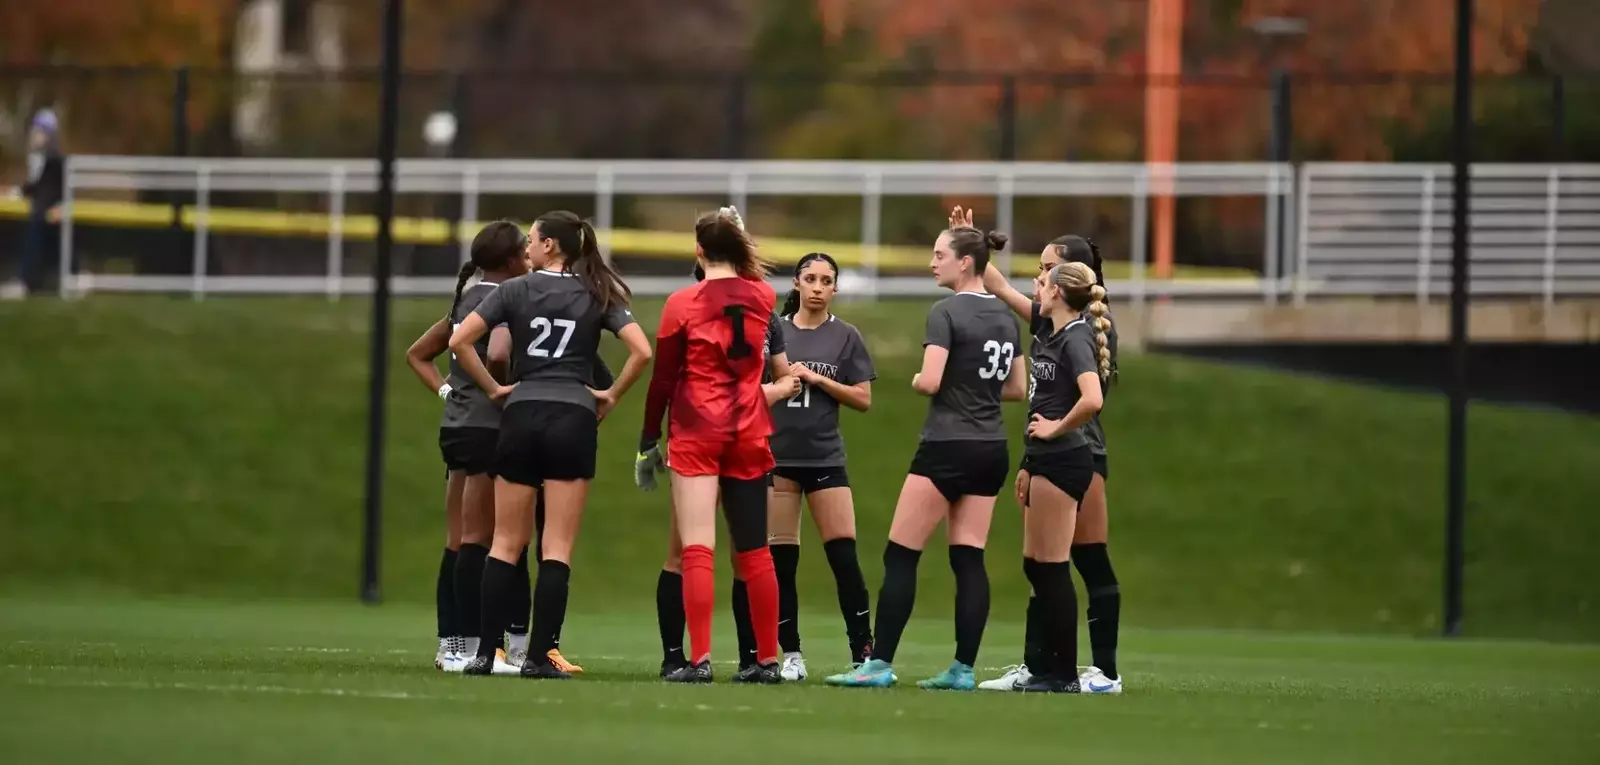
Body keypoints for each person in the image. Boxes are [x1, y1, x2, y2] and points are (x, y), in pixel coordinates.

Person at [450, 211, 653, 679]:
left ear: (550, 247)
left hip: (522, 414)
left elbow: (461, 342)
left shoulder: (514, 290)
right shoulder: (596, 291)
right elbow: (642, 351)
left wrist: (495, 390)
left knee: (504, 542)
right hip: (573, 417)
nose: (528, 245)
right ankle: (540, 657)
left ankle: (485, 654)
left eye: (534, 238)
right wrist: (612, 395)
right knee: (556, 547)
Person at [825, 221, 1026, 691]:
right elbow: (1016, 388)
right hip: (991, 448)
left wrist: (919, 380)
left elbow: (931, 381)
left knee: (901, 555)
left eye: (939, 254)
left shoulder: (945, 311)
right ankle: (963, 669)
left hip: (946, 445)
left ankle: (880, 664)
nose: (932, 262)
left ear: (966, 262)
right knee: (969, 559)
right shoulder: (1006, 317)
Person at [637, 207, 788, 684]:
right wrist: (735, 233)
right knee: (756, 552)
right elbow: (741, 281)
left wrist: (647, 441)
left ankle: (699, 660)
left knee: (697, 547)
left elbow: (661, 382)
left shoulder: (682, 302)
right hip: (748, 427)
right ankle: (767, 660)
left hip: (698, 427)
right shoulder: (764, 295)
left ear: (698, 250)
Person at [975, 228, 1124, 694]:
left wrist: (1054, 434)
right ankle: (1038, 663)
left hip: (1080, 452)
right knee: (1041, 562)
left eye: (1044, 270)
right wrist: (968, 241)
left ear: (1065, 280)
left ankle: (1100, 670)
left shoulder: (1087, 328)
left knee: (1083, 559)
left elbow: (1086, 399)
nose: (1036, 279)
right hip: (1046, 452)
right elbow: (998, 287)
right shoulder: (1052, 324)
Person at [403, 220, 526, 671]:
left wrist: (445, 391)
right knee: (483, 540)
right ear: (512, 261)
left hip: (456, 426)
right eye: (524, 253)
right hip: (487, 429)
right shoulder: (501, 301)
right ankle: (470, 649)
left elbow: (418, 353)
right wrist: (501, 386)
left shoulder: (464, 301)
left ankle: (450, 644)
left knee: (456, 540)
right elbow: (495, 351)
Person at [767, 252, 877, 680]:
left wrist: (819, 379)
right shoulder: (773, 331)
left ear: (834, 289)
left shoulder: (846, 336)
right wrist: (780, 383)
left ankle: (862, 653)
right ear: (796, 283)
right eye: (809, 278)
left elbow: (863, 399)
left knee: (844, 557)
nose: (816, 286)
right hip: (778, 460)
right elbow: (754, 388)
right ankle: (790, 654)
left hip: (825, 458)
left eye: (825, 280)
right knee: (781, 562)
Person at [4, 109, 64, 299]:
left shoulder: (53, 159)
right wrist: (17, 192)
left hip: (50, 207)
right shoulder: (37, 157)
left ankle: (24, 280)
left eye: (40, 132)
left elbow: (47, 187)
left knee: (38, 224)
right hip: (44, 206)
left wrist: (20, 193)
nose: (34, 135)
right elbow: (36, 185)